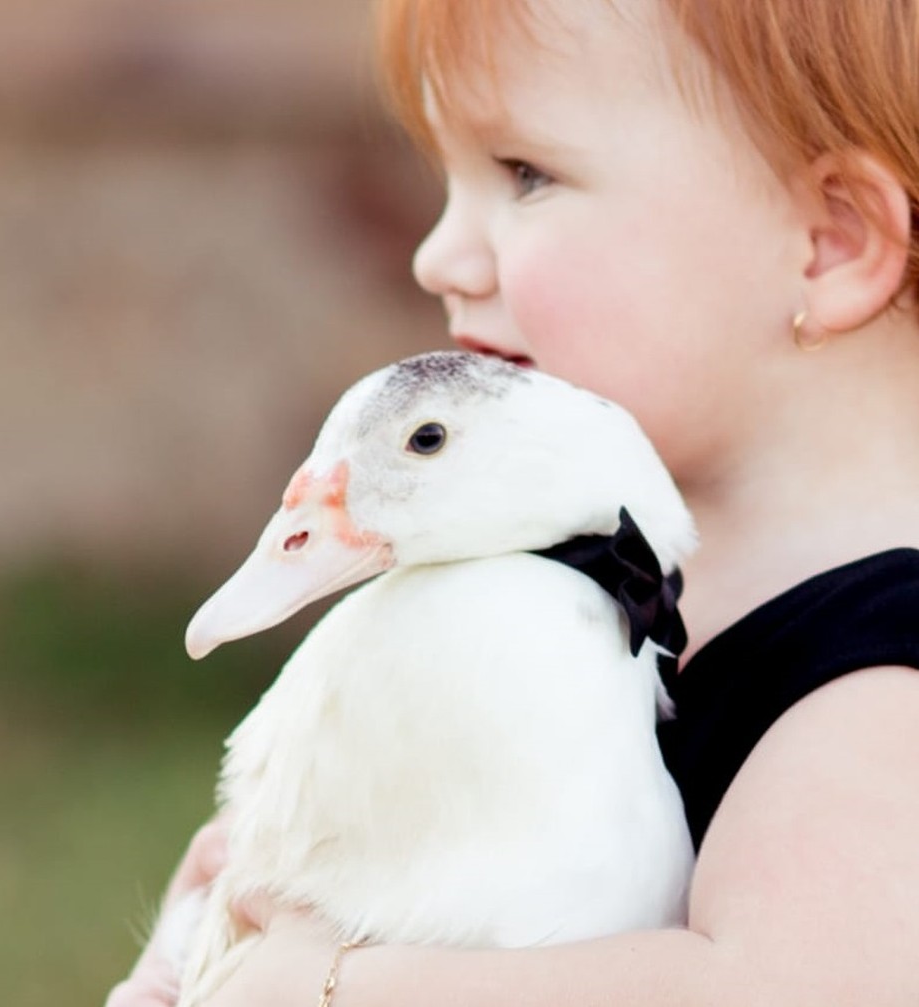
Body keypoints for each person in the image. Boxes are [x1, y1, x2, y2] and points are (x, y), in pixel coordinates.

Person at [106, 0, 919, 1004]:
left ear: (829, 241)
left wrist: (330, 984)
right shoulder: (578, 591)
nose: (437, 255)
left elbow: (796, 986)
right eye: (445, 179)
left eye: (523, 174)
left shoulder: (880, 669)